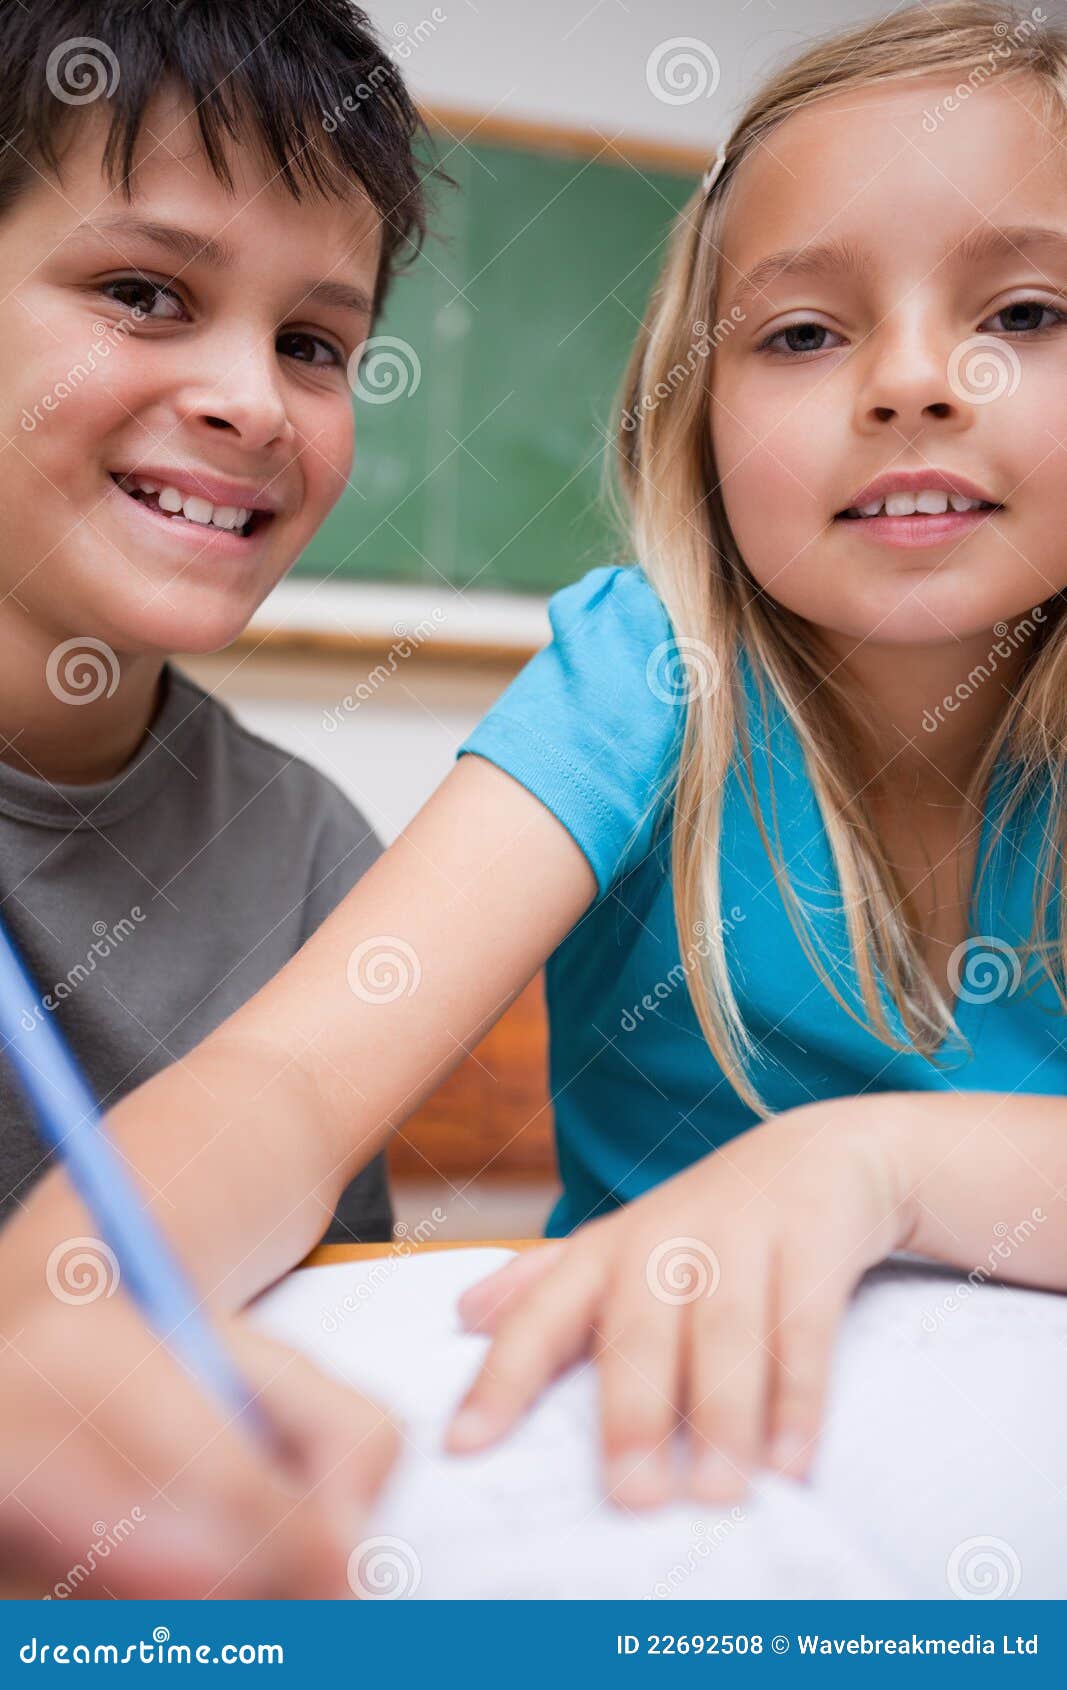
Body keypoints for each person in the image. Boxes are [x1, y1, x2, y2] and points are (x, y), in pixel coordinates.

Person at [4, 0, 1067, 1591]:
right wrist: (71, 1296)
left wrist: (875, 1165)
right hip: (658, 1513)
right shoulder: (646, 674)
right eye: (799, 333)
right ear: (696, 412)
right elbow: (290, 1084)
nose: (914, 380)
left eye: (1031, 310)